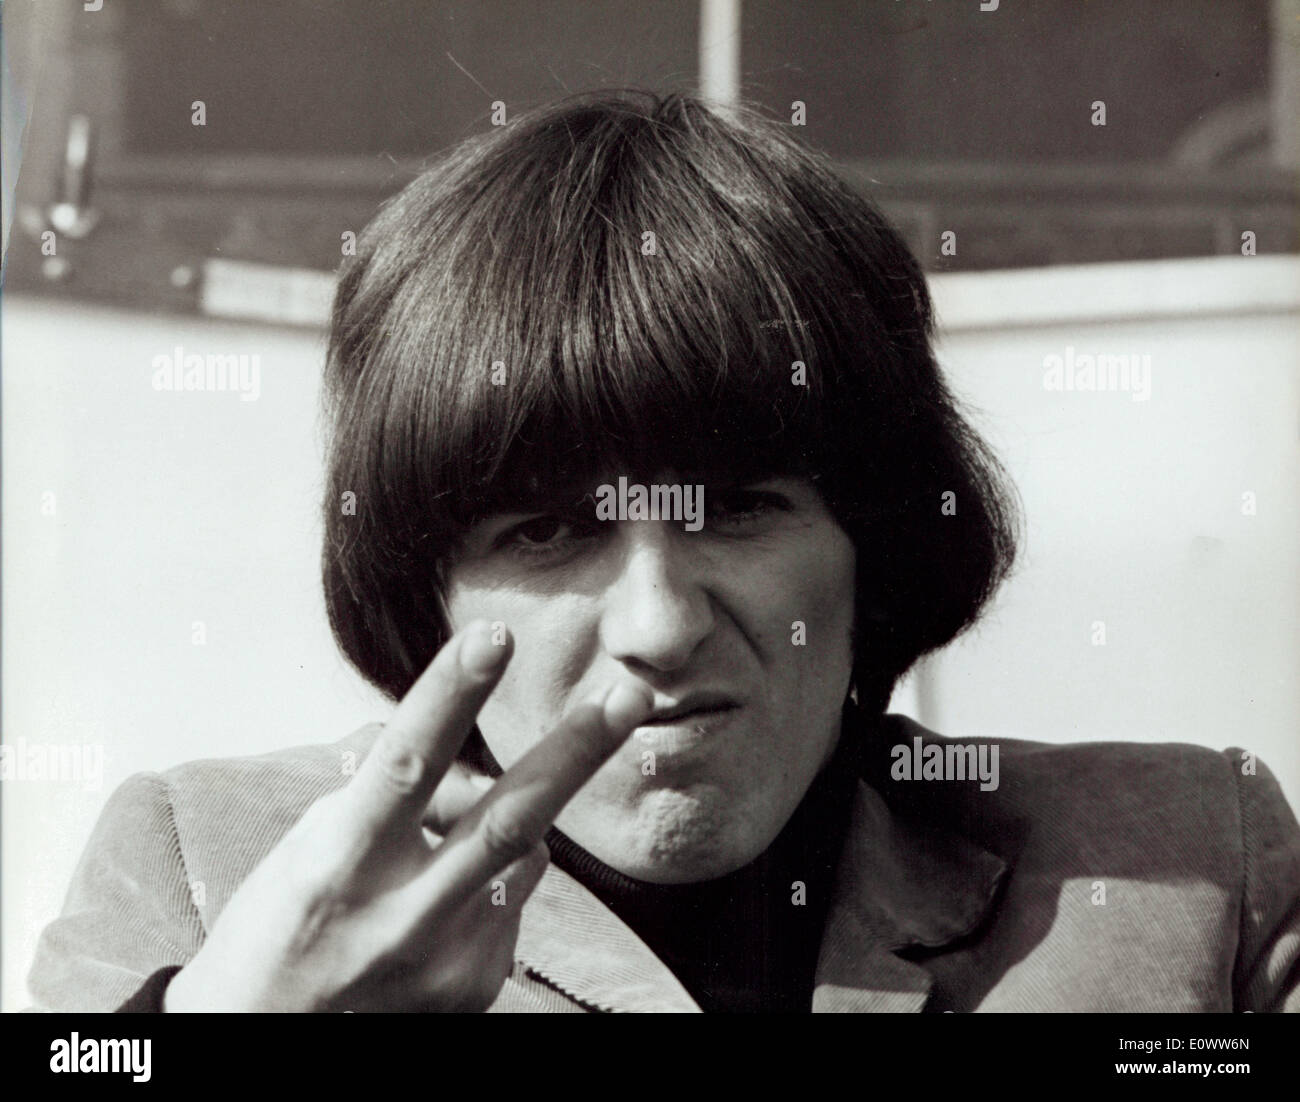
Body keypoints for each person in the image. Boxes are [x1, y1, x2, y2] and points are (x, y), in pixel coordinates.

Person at [28, 91, 1300, 1013]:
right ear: (423, 586)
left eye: (739, 507)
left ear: (875, 540)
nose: (655, 624)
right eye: (546, 529)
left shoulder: (1188, 864)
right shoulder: (200, 865)